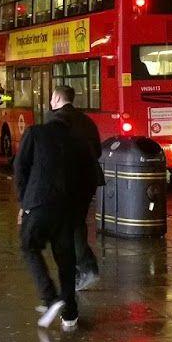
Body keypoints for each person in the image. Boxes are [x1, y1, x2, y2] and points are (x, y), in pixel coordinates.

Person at [14, 93, 96, 331]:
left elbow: (20, 168)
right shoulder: (78, 140)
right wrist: (78, 210)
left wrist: (24, 202)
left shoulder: (35, 133)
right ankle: (70, 315)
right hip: (67, 209)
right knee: (66, 261)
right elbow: (88, 177)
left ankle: (50, 298)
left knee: (29, 247)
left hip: (38, 205)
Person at [49, 85, 104, 290]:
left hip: (65, 181)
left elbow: (51, 154)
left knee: (68, 226)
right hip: (88, 179)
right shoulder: (87, 120)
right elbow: (97, 150)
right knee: (77, 222)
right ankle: (80, 270)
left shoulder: (54, 120)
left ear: (56, 98)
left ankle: (86, 267)